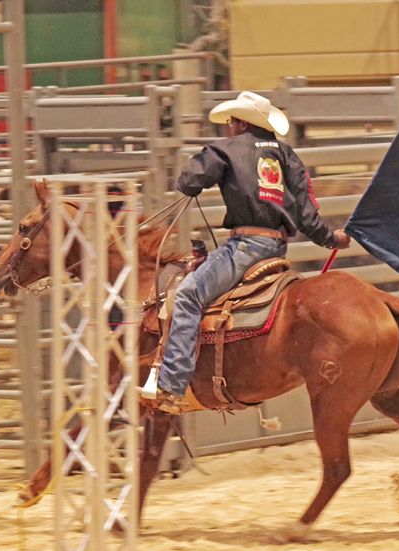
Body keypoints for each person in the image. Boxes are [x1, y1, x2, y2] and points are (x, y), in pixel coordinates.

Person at [142, 91, 350, 413]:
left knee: (187, 296)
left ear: (240, 123)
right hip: (277, 249)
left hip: (245, 248)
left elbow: (189, 181)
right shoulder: (288, 156)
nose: (229, 127)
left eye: (230, 122)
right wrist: (332, 239)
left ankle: (171, 385)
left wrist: (194, 181)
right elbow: (308, 216)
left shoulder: (225, 149)